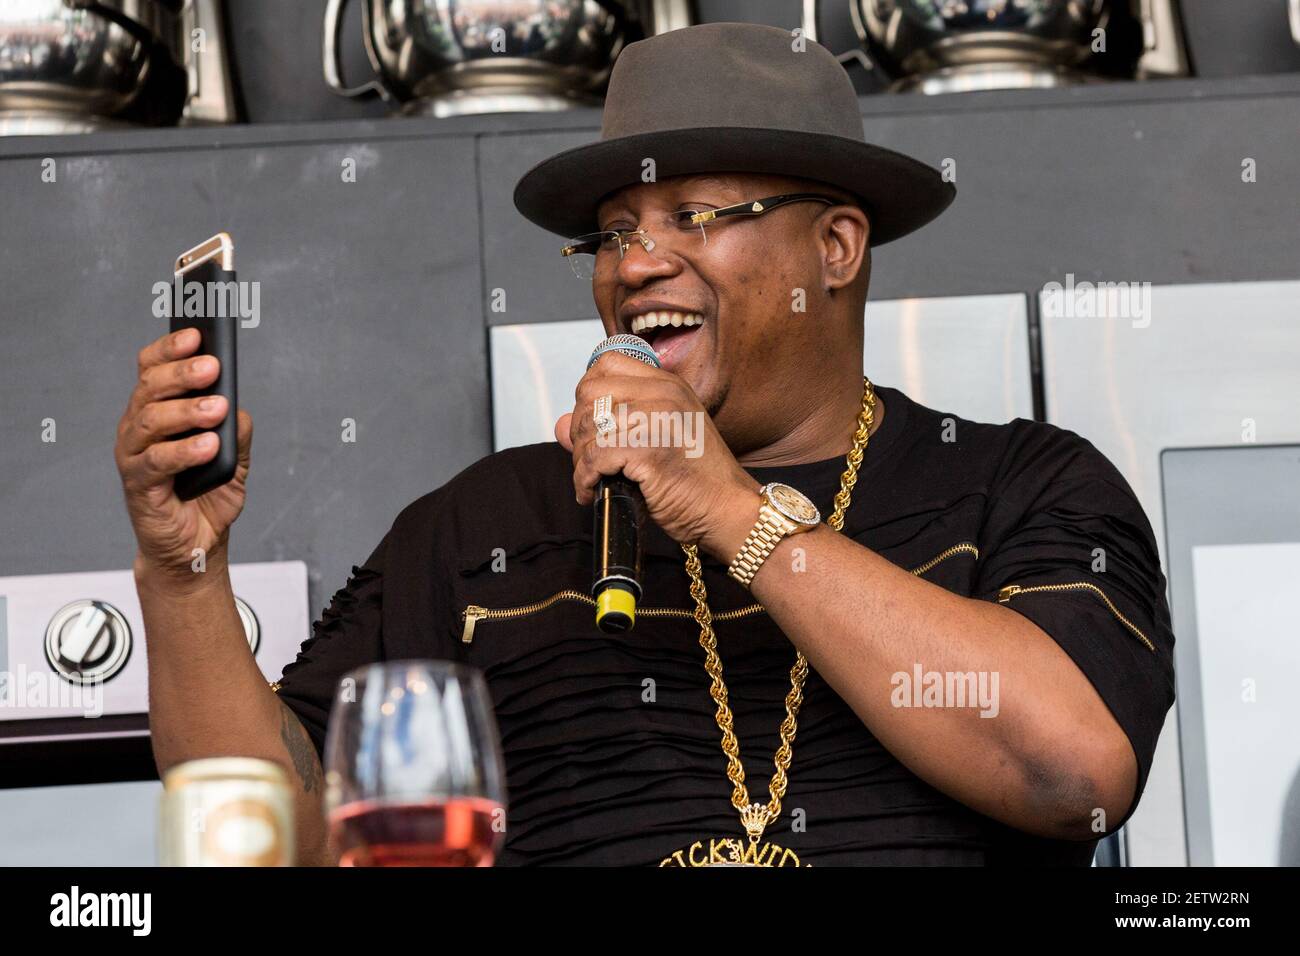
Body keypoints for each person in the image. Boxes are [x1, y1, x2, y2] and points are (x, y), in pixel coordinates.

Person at [114, 22, 1174, 866]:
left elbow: (1069, 772)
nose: (637, 262)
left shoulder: (1020, 486)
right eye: (615, 230)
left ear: (835, 247)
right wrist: (179, 571)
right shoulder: (484, 526)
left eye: (694, 214)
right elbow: (269, 835)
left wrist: (731, 512)